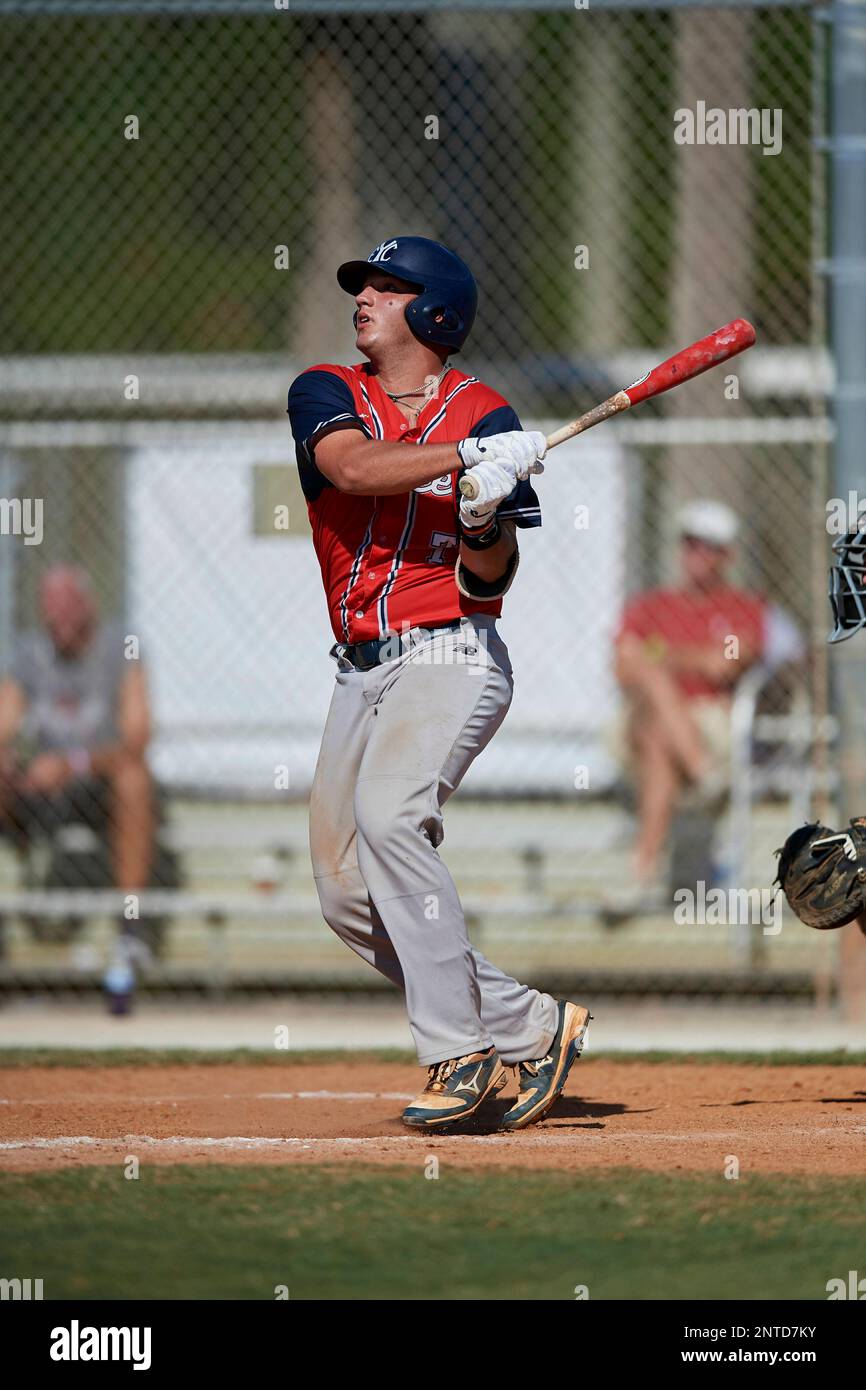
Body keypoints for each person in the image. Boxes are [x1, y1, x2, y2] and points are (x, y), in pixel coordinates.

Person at [287, 235, 591, 1131]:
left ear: (435, 312)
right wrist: (463, 463)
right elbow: (351, 469)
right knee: (344, 891)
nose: (366, 297)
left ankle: (459, 1052)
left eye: (389, 286)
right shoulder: (327, 390)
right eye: (366, 285)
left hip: (450, 653)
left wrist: (482, 514)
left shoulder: (488, 412)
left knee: (390, 820)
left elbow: (490, 579)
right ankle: (533, 1025)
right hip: (359, 669)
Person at [0, 567, 155, 997]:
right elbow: (4, 724)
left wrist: (72, 763)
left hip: (96, 784)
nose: (60, 621)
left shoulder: (122, 648)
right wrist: (11, 762)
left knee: (134, 780)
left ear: (89, 605)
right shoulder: (29, 654)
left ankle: (129, 930)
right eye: (51, 611)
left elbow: (137, 739)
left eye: (69, 608)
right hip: (37, 789)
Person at [612, 500, 767, 903]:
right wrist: (692, 658)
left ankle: (640, 872)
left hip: (706, 719)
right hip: (642, 719)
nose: (696, 554)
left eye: (708, 545)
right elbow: (624, 667)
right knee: (653, 688)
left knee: (658, 737)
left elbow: (729, 664)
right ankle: (701, 769)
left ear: (726, 555)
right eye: (690, 543)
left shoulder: (742, 607)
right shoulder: (650, 605)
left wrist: (659, 654)